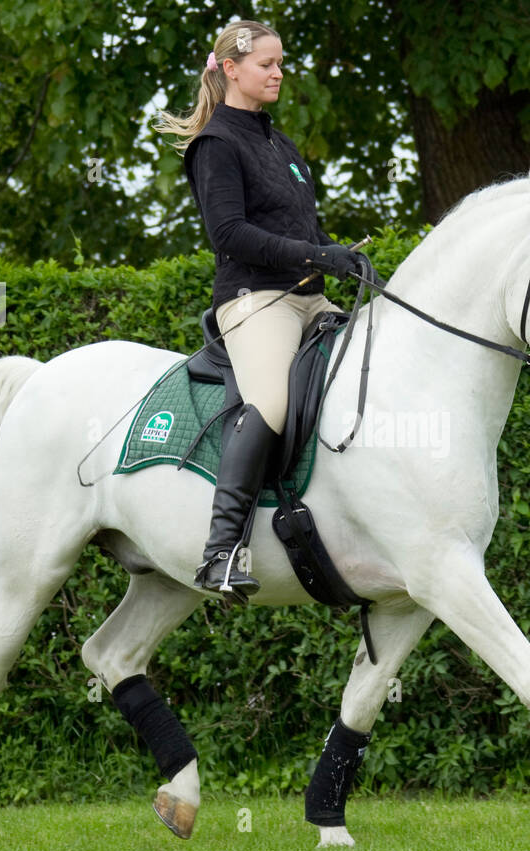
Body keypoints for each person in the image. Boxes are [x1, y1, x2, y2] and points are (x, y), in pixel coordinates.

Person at [153, 20, 365, 602]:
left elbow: (302, 226)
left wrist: (337, 254)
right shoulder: (217, 144)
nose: (277, 73)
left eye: (279, 62)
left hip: (310, 297)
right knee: (269, 401)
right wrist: (314, 252)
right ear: (231, 69)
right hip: (256, 301)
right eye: (266, 64)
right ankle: (222, 551)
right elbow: (230, 234)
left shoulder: (280, 143)